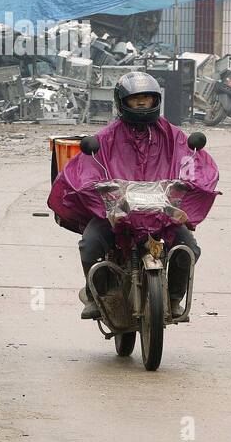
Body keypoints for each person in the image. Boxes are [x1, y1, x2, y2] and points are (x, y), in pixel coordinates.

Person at [49, 72, 215, 319]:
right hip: (117, 213)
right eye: (135, 99)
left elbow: (190, 162)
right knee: (90, 243)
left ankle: (173, 298)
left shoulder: (173, 136)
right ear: (122, 102)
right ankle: (98, 295)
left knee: (188, 248)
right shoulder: (105, 138)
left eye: (147, 98)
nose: (141, 103)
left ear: (155, 100)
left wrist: (191, 181)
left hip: (162, 213)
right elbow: (85, 167)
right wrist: (95, 186)